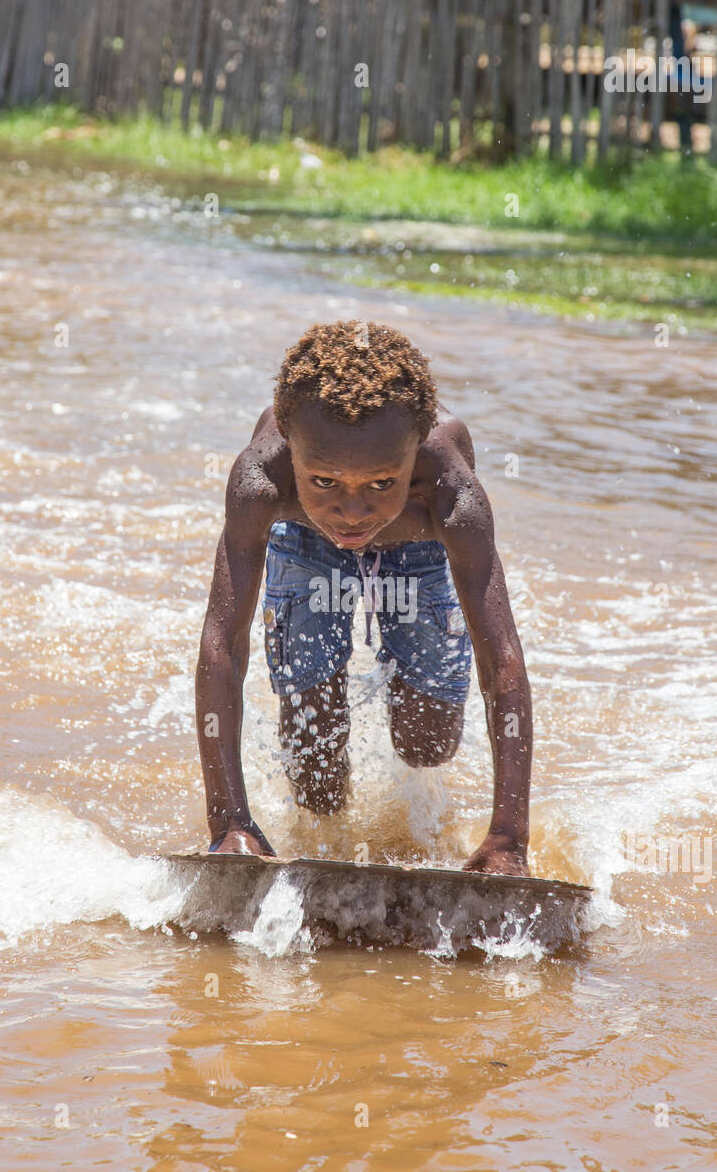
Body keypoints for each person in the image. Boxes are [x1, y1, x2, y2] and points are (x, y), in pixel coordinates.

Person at [195, 320, 532, 876]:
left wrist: (508, 839)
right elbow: (222, 645)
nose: (352, 513)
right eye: (324, 481)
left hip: (418, 548)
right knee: (316, 768)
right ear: (290, 452)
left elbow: (501, 658)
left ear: (416, 452)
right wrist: (229, 822)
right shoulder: (260, 478)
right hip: (303, 543)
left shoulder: (449, 480)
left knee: (427, 744)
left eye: (380, 483)